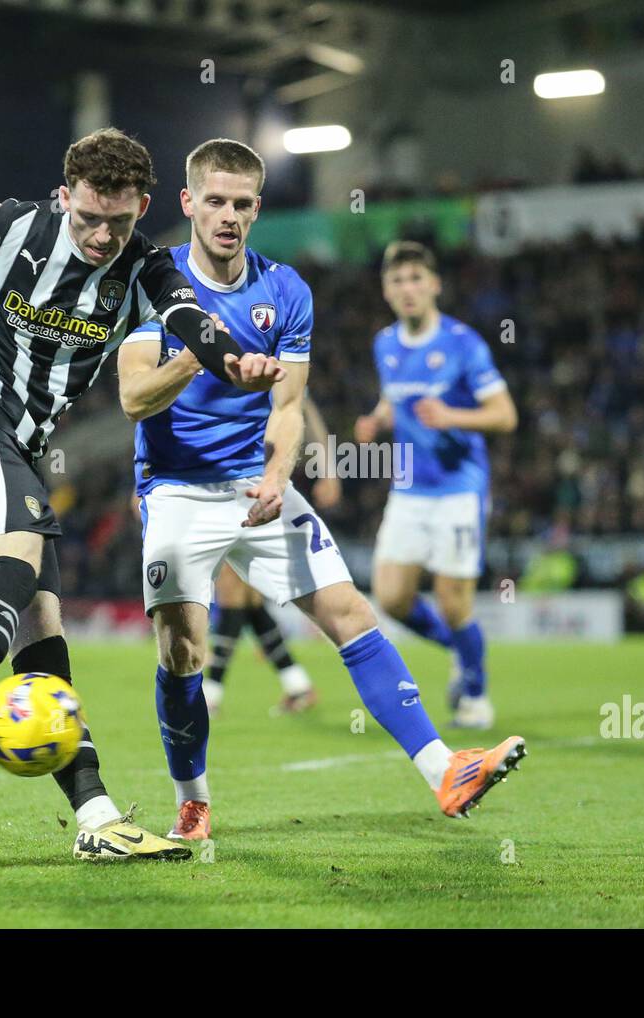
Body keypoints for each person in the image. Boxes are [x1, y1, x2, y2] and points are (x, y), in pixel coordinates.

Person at [0, 127, 281, 862]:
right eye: (89, 217)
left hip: (22, 453)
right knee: (24, 554)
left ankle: (96, 817)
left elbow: (192, 321)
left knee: (46, 645)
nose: (102, 235)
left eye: (119, 221)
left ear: (144, 209)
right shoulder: (11, 226)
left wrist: (234, 361)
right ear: (64, 196)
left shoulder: (147, 268)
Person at [118, 138, 524, 841]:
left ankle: (444, 770)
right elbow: (133, 399)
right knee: (181, 649)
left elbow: (288, 406)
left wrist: (279, 476)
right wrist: (200, 356)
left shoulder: (286, 291)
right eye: (214, 201)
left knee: (351, 610)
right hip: (178, 488)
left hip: (255, 483)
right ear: (187, 203)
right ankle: (193, 801)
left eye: (243, 205)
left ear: (258, 209)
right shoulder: (151, 284)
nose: (229, 217)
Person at [355, 242, 517, 728]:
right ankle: (458, 650)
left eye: (416, 278)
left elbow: (505, 416)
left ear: (434, 284)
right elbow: (394, 396)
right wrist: (378, 419)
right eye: (398, 281)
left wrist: (451, 416)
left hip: (458, 490)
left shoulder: (463, 343)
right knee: (392, 598)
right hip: (408, 490)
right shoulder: (384, 343)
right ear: (387, 290)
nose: (408, 288)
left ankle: (476, 694)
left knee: (453, 602)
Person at [203, 395, 341, 717]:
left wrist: (328, 470)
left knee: (232, 590)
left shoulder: (270, 357)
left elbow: (303, 406)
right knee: (246, 599)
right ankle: (297, 685)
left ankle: (210, 694)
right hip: (237, 477)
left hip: (258, 482)